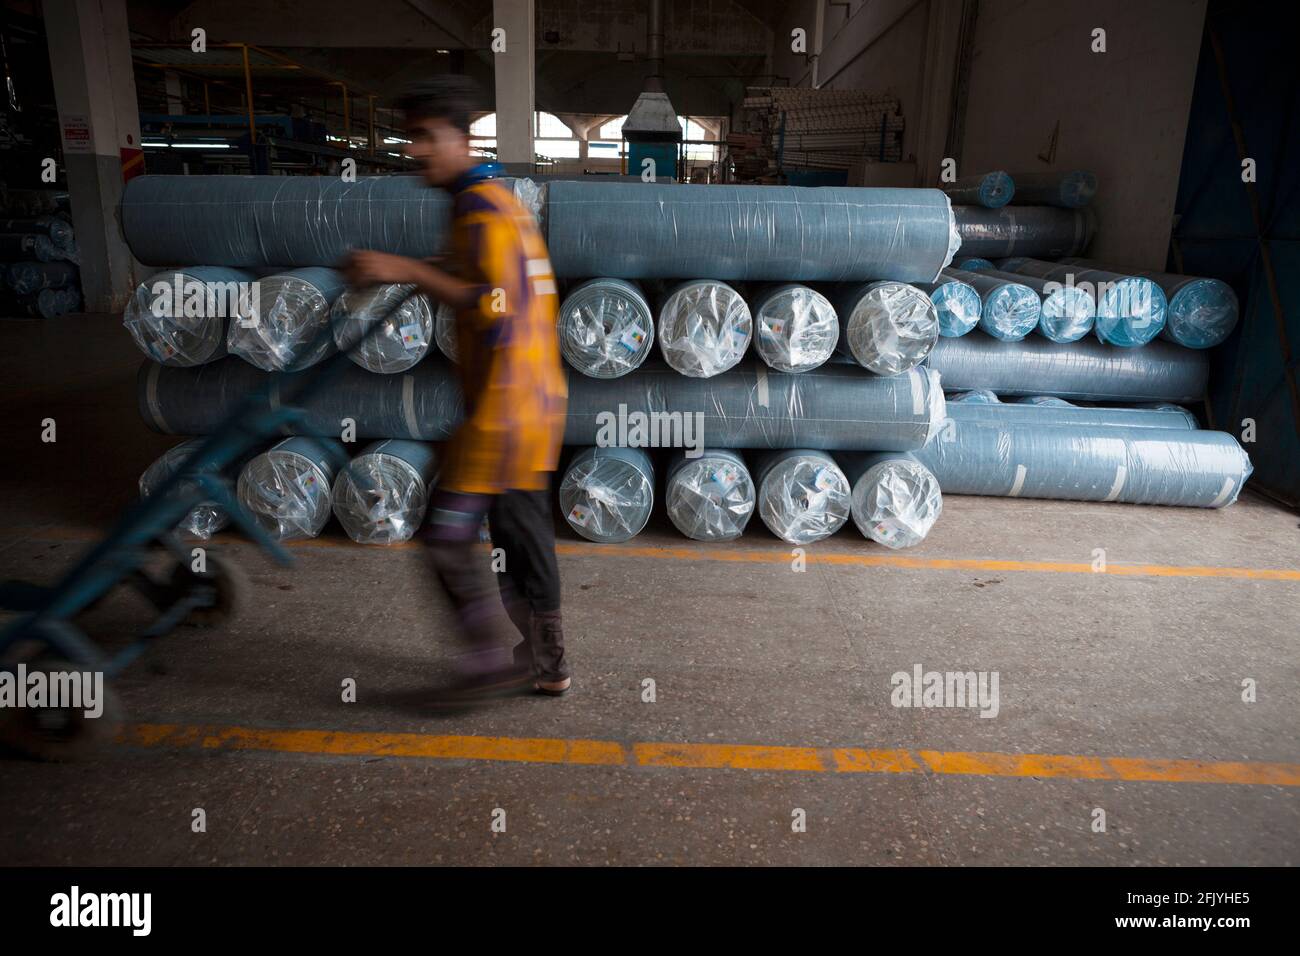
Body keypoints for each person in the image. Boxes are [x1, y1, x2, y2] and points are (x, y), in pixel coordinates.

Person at [344, 77, 570, 701]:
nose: (415, 150)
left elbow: (498, 301)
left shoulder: (481, 206)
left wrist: (406, 269)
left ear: (461, 138)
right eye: (408, 136)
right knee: (519, 533)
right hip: (522, 398)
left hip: (508, 405)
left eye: (426, 136)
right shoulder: (484, 199)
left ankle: (490, 663)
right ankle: (543, 661)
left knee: (447, 535)